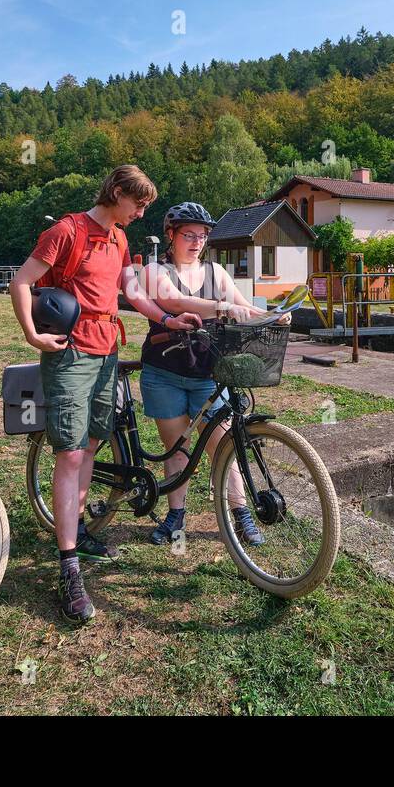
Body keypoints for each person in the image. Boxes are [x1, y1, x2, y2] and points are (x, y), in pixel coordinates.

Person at [10, 166, 201, 624]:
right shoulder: (66, 231)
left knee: (93, 443)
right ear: (116, 193)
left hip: (107, 351)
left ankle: (77, 530)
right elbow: (20, 282)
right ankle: (68, 565)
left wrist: (166, 320)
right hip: (72, 354)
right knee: (72, 454)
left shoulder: (117, 240)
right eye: (138, 204)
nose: (140, 214)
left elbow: (131, 292)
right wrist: (34, 336)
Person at [137, 202, 288, 549]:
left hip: (209, 373)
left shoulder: (216, 273)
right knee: (177, 449)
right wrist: (221, 307)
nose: (197, 241)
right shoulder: (153, 271)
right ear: (170, 236)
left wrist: (272, 316)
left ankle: (240, 513)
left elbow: (243, 309)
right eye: (189, 234)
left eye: (202, 236)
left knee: (224, 445)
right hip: (165, 373)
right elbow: (173, 302)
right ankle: (176, 515)